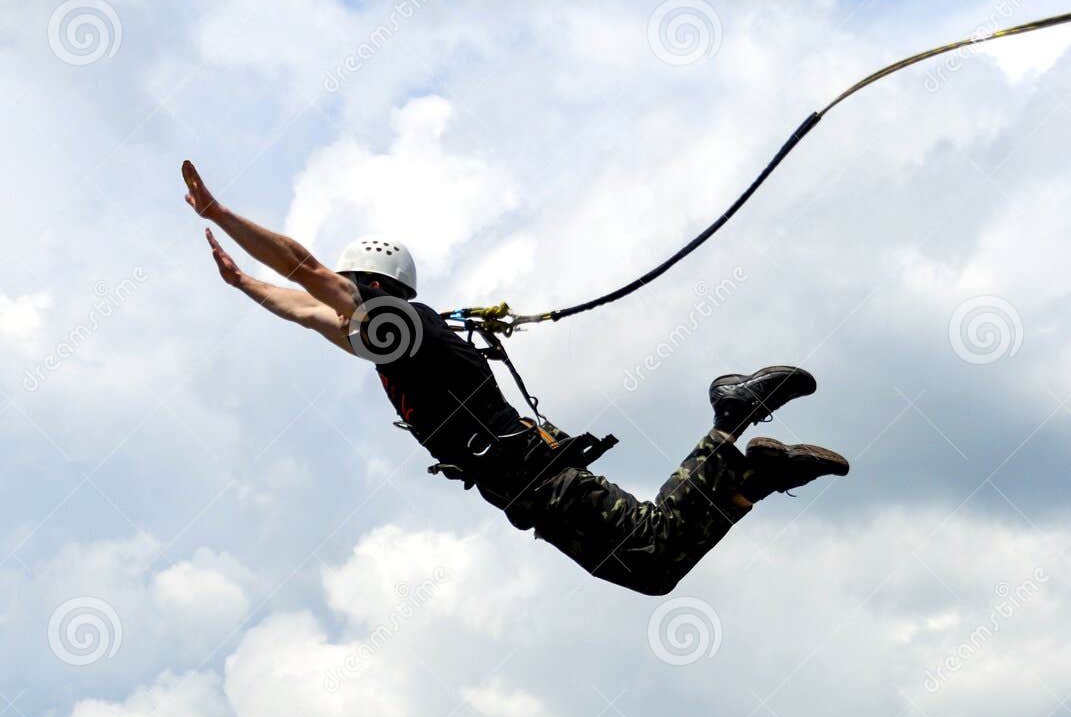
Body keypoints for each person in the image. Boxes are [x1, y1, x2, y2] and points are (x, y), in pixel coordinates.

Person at [182, 161, 848, 597]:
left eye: (343, 291)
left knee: (649, 544)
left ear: (366, 287)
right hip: (526, 492)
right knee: (648, 571)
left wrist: (222, 216)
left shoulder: (401, 327)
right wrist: (244, 284)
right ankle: (754, 475)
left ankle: (731, 417)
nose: (332, 308)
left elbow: (305, 273)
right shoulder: (389, 344)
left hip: (539, 476)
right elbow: (303, 308)